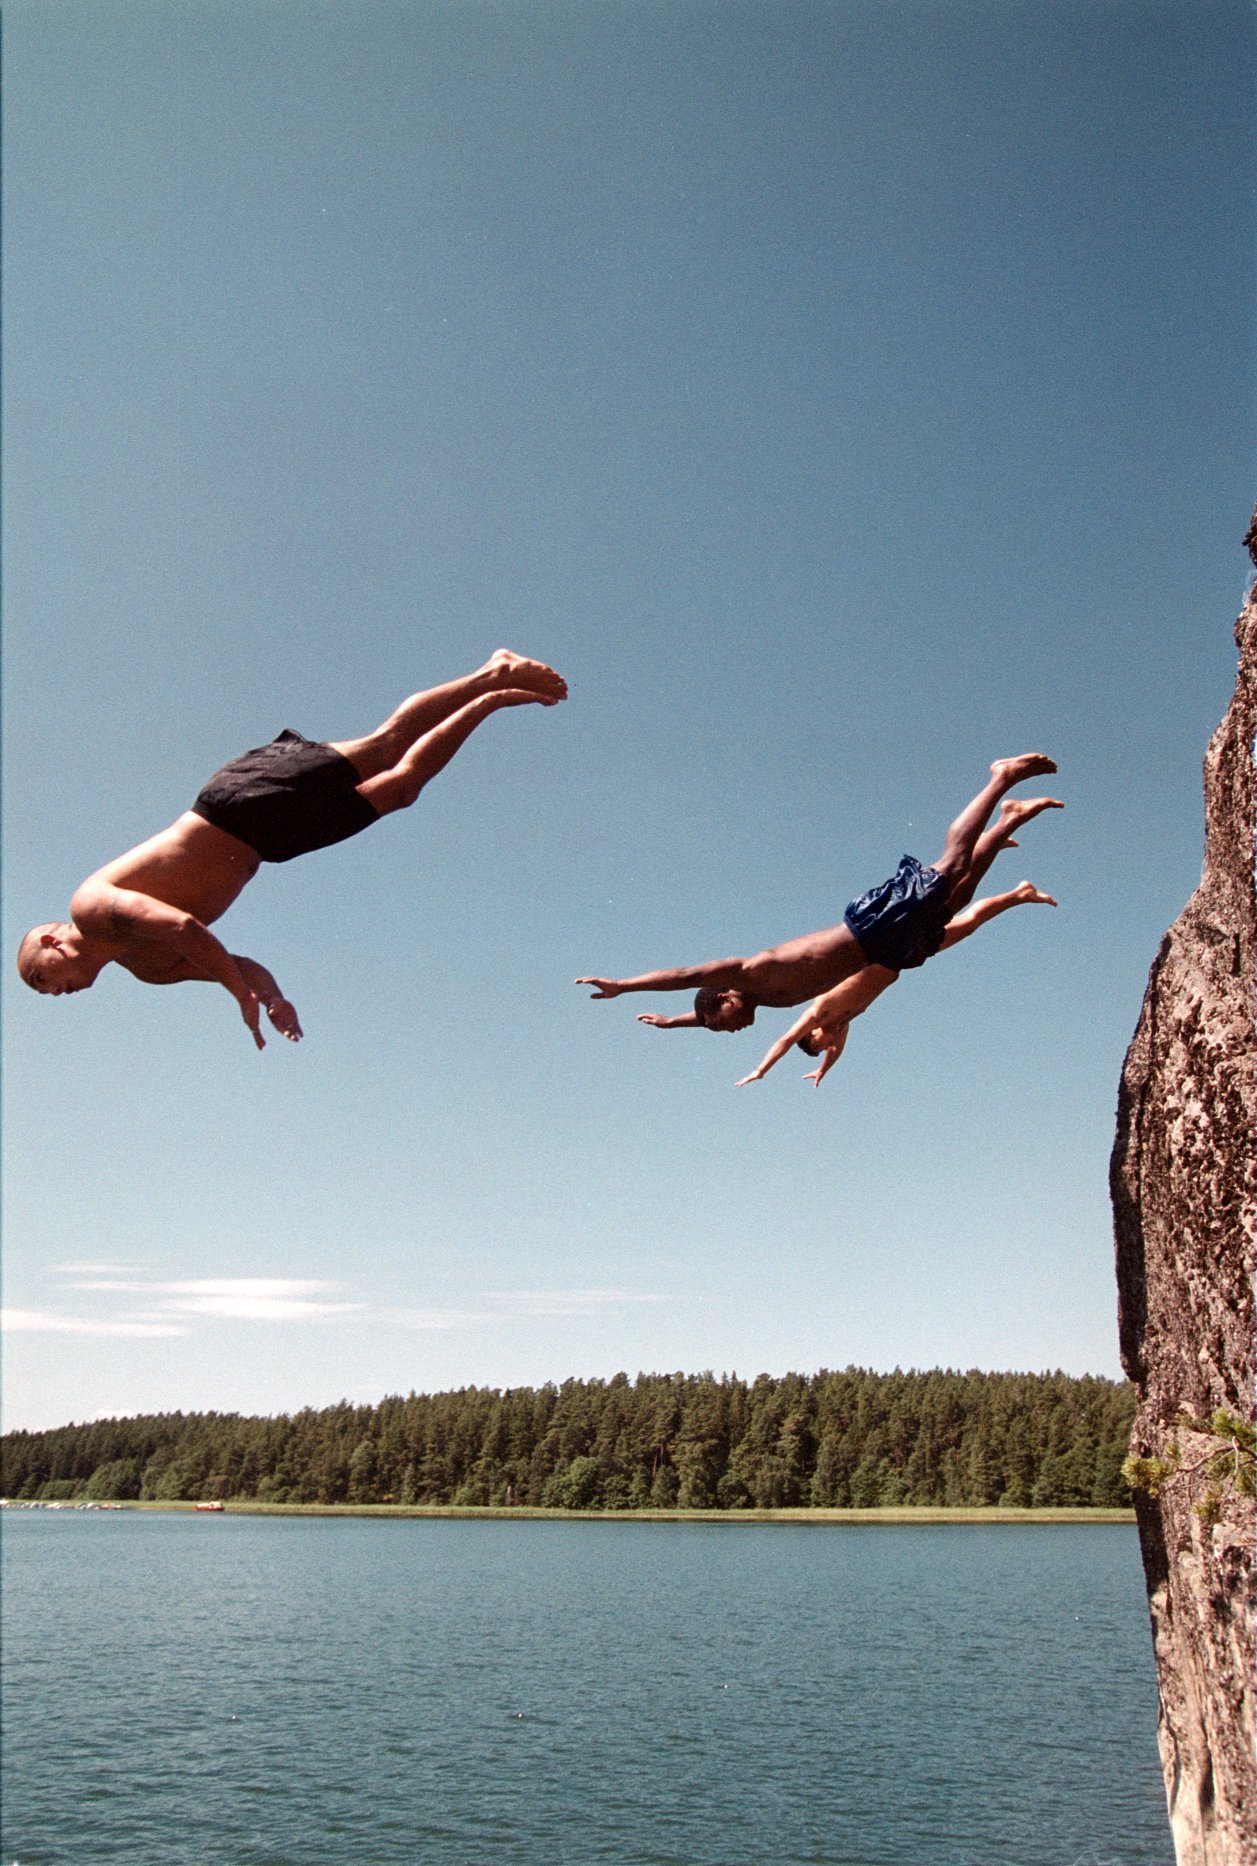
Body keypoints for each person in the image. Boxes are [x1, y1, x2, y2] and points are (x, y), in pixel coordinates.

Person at [17, 650, 566, 1047]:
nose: (50, 992)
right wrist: (271, 996)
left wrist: (241, 999)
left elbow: (185, 928)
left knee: (383, 748)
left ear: (50, 941)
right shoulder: (152, 971)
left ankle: (492, 672)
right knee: (401, 790)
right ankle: (494, 701)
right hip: (269, 844)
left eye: (39, 978)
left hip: (237, 805)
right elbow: (238, 964)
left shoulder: (88, 908)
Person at [577, 753, 1060, 1033]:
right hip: (888, 947)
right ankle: (1006, 822)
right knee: (959, 895)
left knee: (949, 866)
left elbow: (685, 976)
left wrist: (624, 986)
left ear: (724, 995)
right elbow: (699, 1013)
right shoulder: (767, 1002)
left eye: (724, 1022)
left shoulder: (747, 972)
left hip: (872, 926)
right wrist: (669, 1024)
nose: (734, 1031)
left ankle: (1000, 777)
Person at [734, 877, 1057, 1089]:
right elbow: (837, 1052)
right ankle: (1019, 894)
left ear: (812, 1033)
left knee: (945, 905)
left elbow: (786, 1040)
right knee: (966, 924)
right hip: (902, 959)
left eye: (820, 1043)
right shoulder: (843, 1024)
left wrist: (762, 1070)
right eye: (825, 1047)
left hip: (885, 949)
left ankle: (991, 843)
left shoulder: (820, 1012)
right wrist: (823, 1070)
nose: (828, 1043)